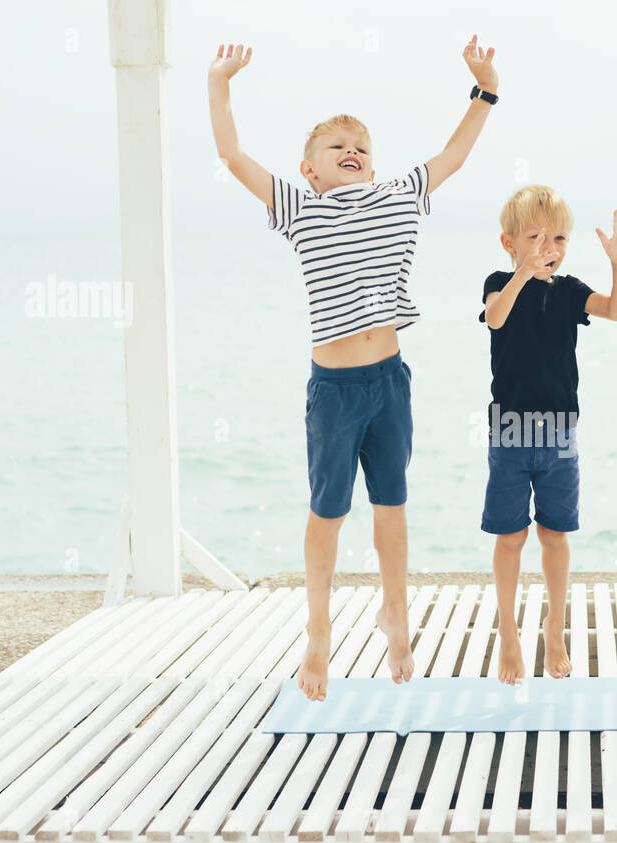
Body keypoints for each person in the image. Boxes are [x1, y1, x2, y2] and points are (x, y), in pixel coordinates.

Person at [207, 36, 500, 701]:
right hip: (335, 391)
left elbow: (453, 155)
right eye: (336, 147)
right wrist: (220, 85)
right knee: (328, 512)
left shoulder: (399, 195)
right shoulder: (299, 209)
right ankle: (318, 631)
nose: (351, 151)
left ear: (374, 165)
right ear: (309, 171)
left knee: (392, 507)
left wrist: (484, 90)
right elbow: (231, 155)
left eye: (361, 146)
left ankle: (394, 609)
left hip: (389, 382)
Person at [478, 186, 617, 684]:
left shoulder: (568, 290)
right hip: (509, 435)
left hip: (560, 436)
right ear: (509, 243)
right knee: (510, 538)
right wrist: (525, 272)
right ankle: (508, 631)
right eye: (537, 237)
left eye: (560, 237)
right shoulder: (499, 282)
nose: (550, 246)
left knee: (555, 535)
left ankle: (554, 625)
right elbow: (495, 317)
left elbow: (616, 310)